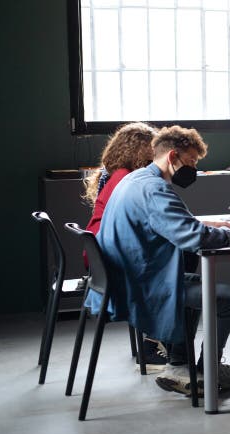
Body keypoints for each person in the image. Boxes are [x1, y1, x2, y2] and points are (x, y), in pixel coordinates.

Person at [89, 125, 230, 397]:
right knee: (227, 297)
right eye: (191, 161)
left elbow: (178, 224)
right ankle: (208, 369)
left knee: (195, 283)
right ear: (173, 156)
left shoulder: (135, 179)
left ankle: (179, 366)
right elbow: (193, 237)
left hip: (124, 278)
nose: (194, 169)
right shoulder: (154, 189)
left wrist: (214, 228)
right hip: (140, 287)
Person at [81, 122, 169, 372]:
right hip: (109, 259)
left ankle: (163, 342)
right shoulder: (127, 179)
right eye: (153, 148)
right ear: (141, 150)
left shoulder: (116, 174)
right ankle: (157, 345)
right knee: (179, 264)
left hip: (100, 255)